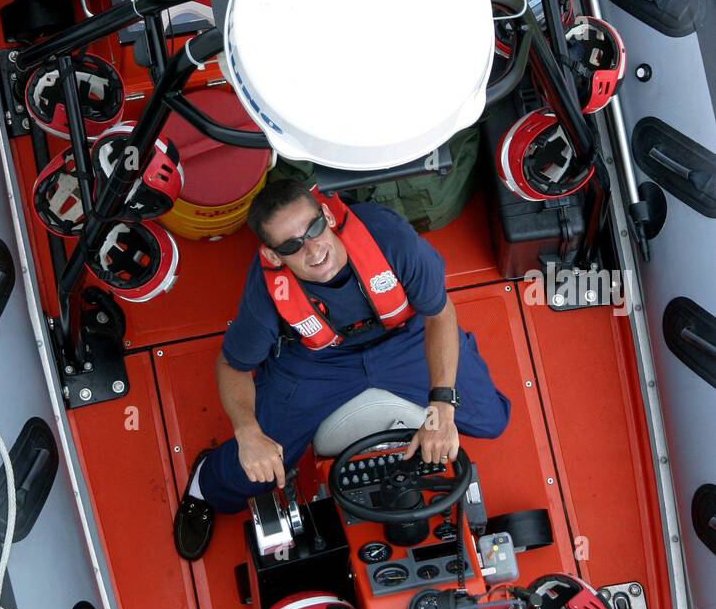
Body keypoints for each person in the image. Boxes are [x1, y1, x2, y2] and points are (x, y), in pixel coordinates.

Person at [173, 179, 510, 561]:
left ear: (328, 216)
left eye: (313, 229)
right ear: (273, 255)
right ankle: (205, 483)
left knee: (491, 420)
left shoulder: (389, 238)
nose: (313, 249)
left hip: (402, 338)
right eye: (291, 246)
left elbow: (439, 312)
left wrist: (443, 407)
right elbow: (231, 366)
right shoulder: (265, 293)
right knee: (252, 472)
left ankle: (454, 369)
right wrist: (247, 432)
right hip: (317, 361)